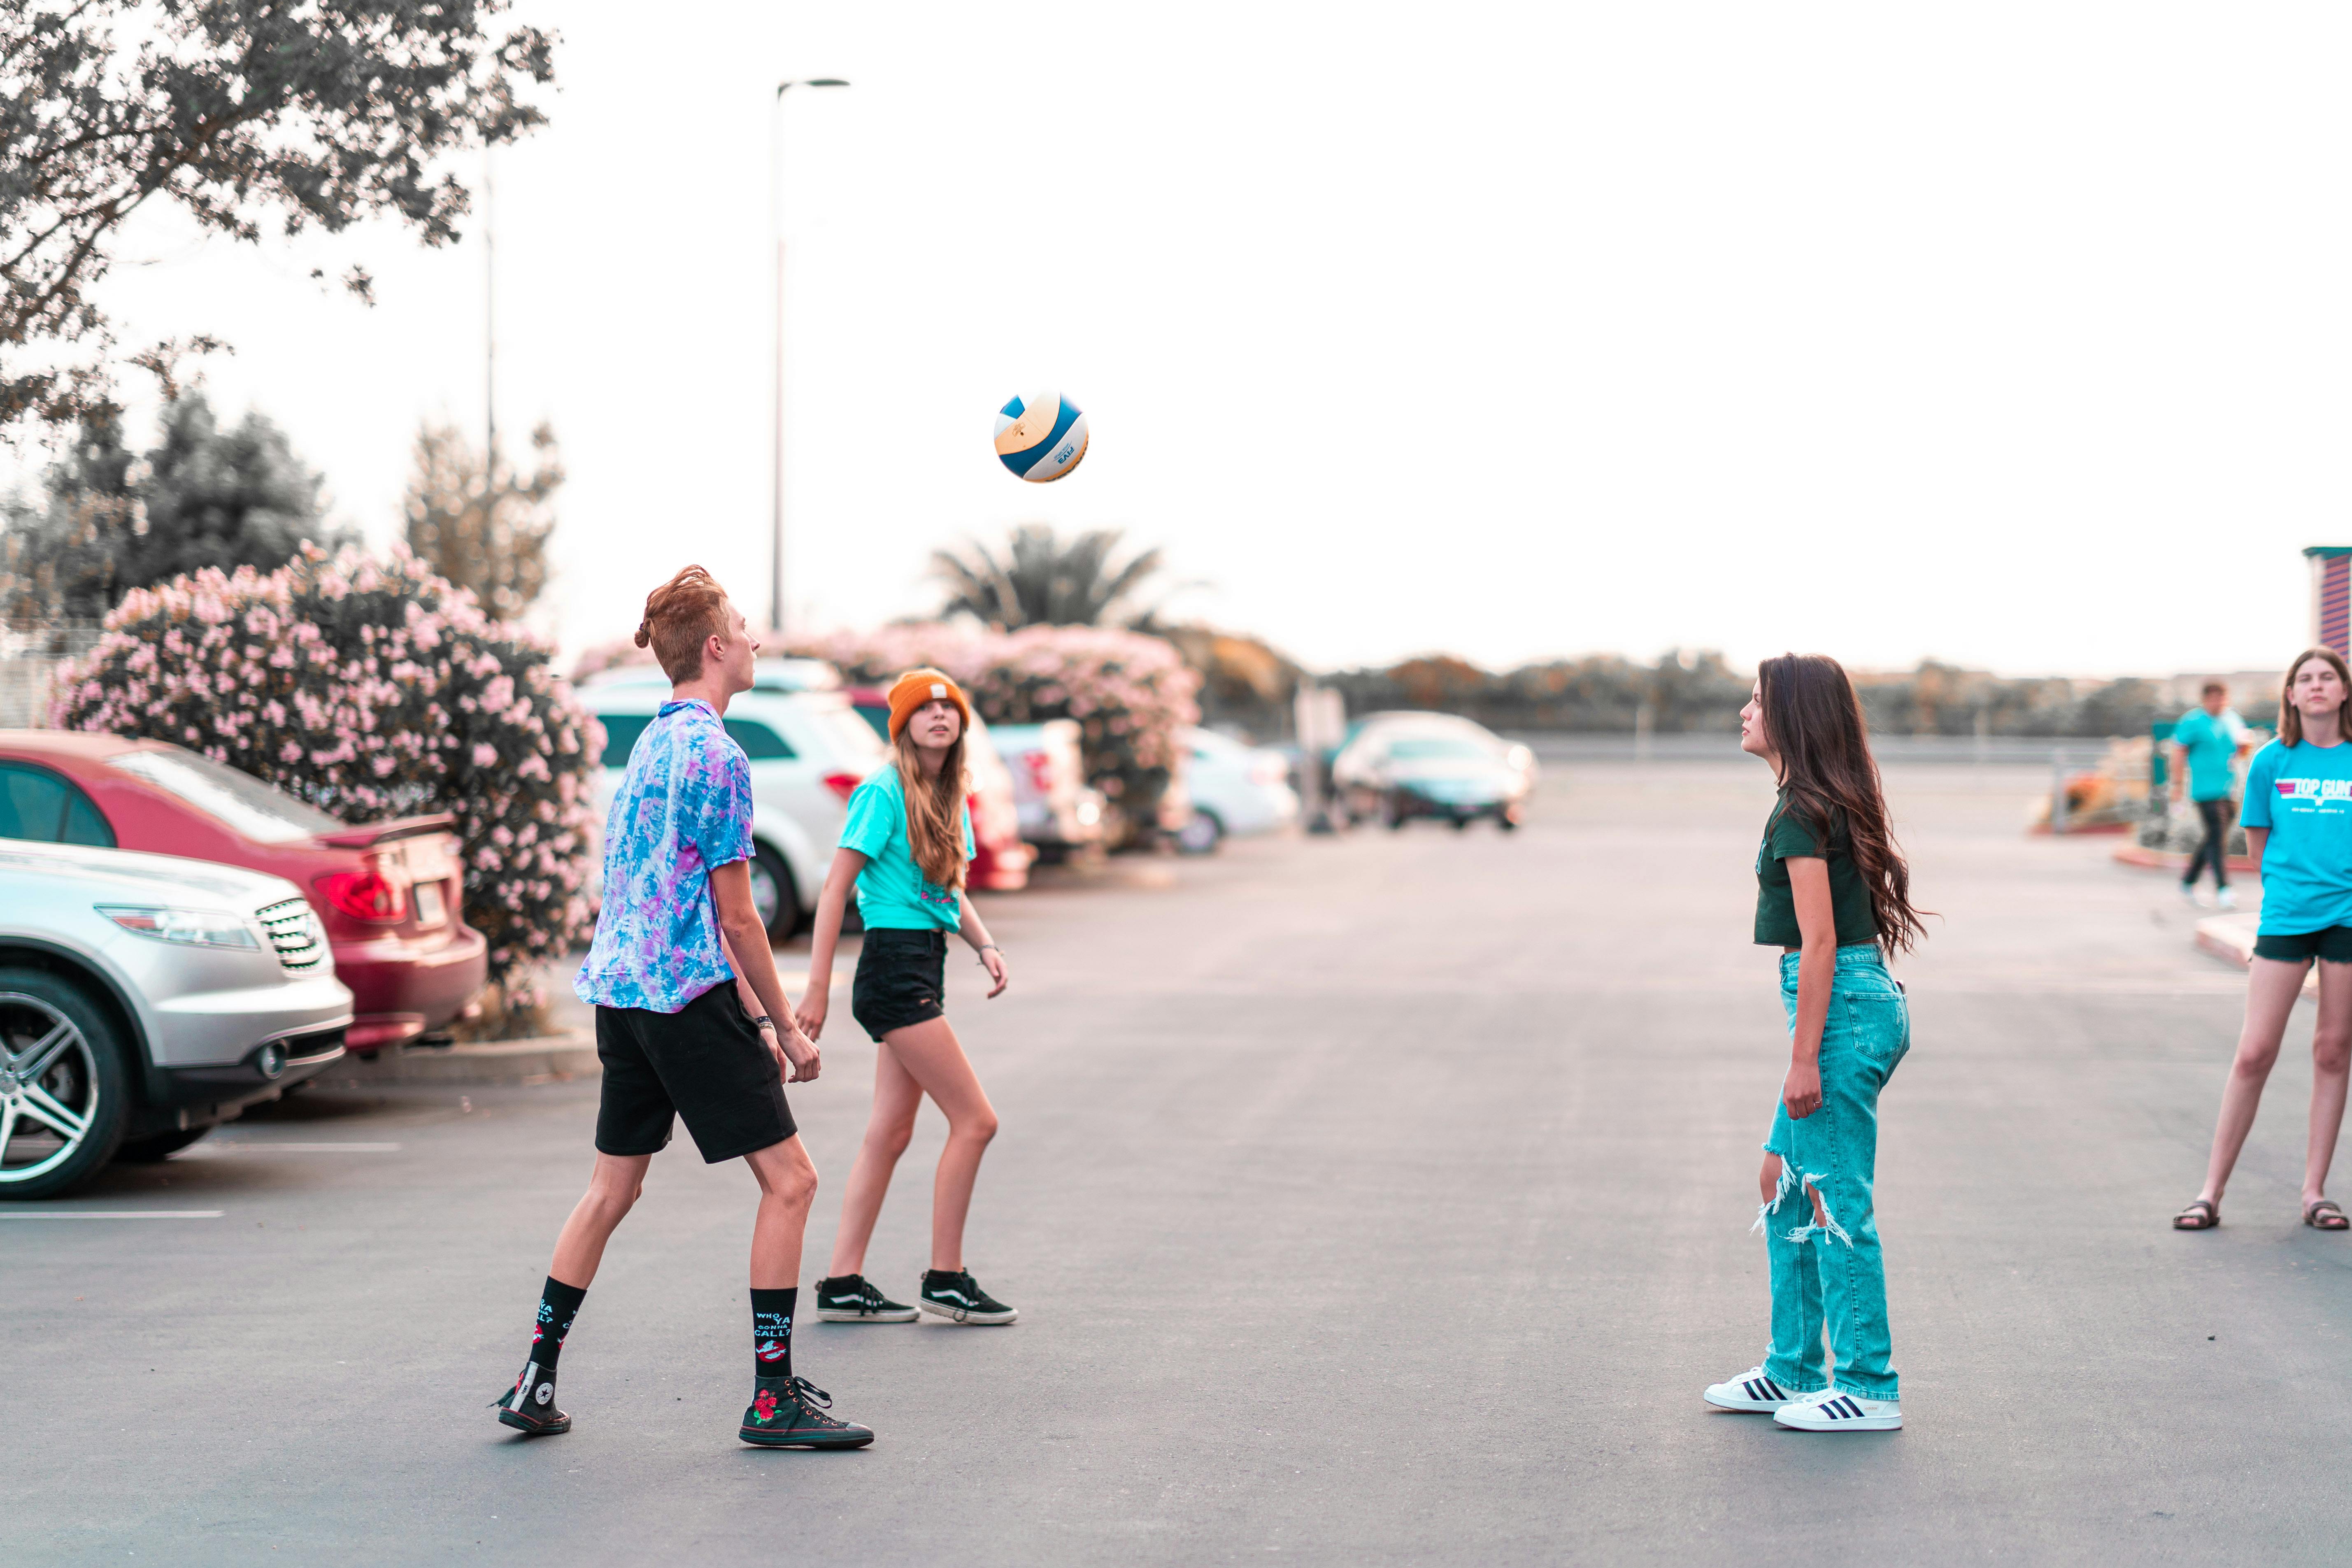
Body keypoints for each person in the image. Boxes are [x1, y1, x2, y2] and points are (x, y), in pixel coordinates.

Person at [491, 566, 874, 1449]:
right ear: (714, 648)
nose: (752, 639)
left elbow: (674, 898)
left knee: (609, 1188)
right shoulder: (718, 755)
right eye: (741, 627)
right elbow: (738, 914)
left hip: (622, 998)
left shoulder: (654, 747)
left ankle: (534, 1377)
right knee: (793, 1181)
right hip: (680, 999)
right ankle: (772, 1398)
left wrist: (751, 1005)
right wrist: (782, 1026)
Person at [1702, 654, 1929, 1433]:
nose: (1744, 711)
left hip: (1838, 1007)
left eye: (1758, 700)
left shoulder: (1802, 809)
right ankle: (1793, 1368)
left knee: (1834, 1199)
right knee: (1781, 1179)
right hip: (1850, 1003)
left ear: (1792, 716)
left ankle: (1868, 1387)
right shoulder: (1812, 798)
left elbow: (1822, 940)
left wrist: (1804, 1060)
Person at [797, 668, 1018, 1327]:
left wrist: (984, 944)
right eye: (925, 710)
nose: (940, 718)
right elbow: (835, 888)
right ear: (903, 725)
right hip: (891, 967)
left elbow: (948, 891)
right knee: (976, 1121)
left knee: (889, 1133)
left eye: (950, 711)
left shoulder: (948, 794)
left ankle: (841, 1282)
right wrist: (816, 990)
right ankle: (946, 1279)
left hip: (924, 961)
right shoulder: (882, 789)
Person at [2174, 648, 2352, 1235]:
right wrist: (2297, 886)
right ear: (2291, 696)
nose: (2316, 685)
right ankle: (2208, 1192)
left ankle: (2313, 1192)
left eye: (2327, 676)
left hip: (2347, 918)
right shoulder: (2271, 761)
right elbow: (2254, 847)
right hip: (2285, 916)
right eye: (2304, 678)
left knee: (2332, 1049)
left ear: (2343, 691)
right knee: (2253, 1051)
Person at [2171, 680, 2252, 910]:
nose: (2219, 703)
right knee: (2217, 835)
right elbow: (2178, 753)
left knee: (2214, 837)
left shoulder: (2232, 719)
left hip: (2229, 788)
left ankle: (2188, 881)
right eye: (2215, 698)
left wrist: (2243, 749)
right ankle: (2223, 888)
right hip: (2205, 790)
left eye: (2223, 698)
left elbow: (2241, 747)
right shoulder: (2193, 721)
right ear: (2206, 699)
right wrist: (2177, 785)